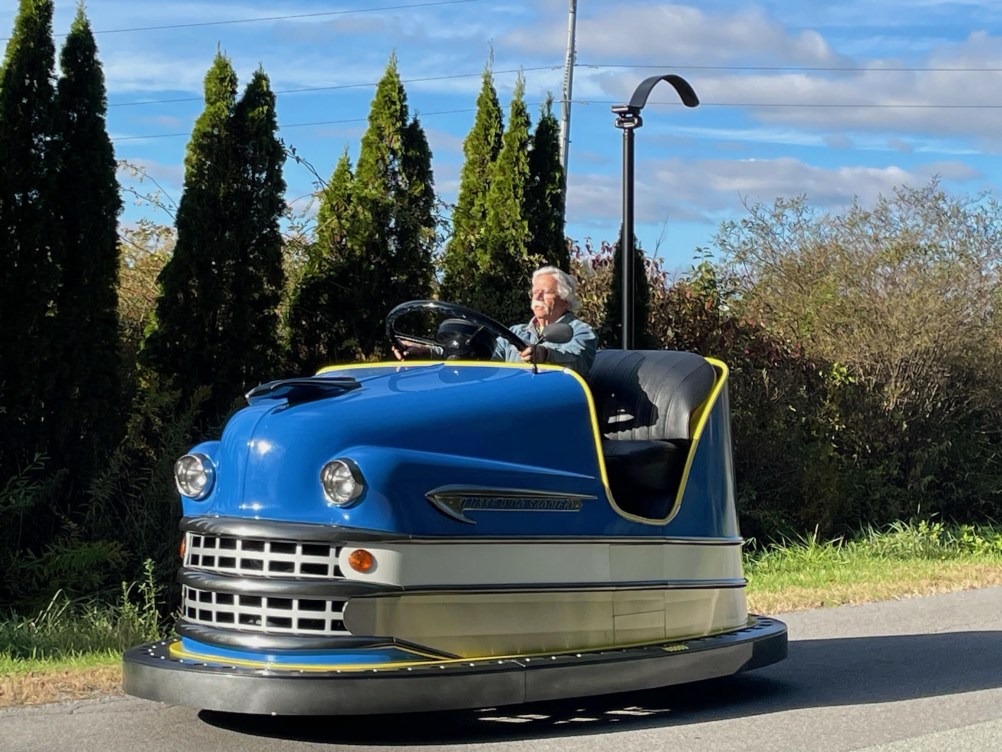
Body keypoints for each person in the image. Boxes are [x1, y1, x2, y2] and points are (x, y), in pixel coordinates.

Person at [394, 266, 597, 376]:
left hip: (555, 409)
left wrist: (544, 354)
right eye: (534, 292)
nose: (538, 297)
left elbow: (576, 361)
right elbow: (481, 352)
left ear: (565, 297)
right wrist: (428, 351)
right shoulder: (517, 332)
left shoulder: (580, 331)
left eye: (545, 292)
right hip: (511, 402)